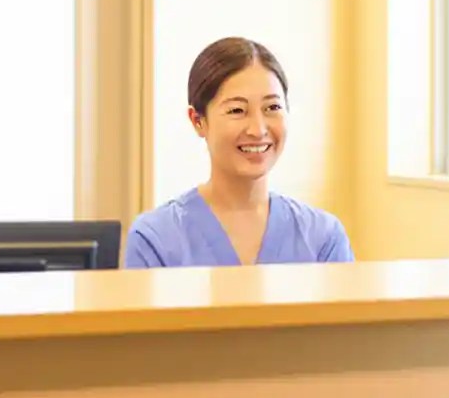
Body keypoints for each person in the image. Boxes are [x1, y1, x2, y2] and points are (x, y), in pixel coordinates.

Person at [124, 37, 354, 268]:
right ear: (198, 121)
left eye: (272, 107)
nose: (258, 129)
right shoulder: (155, 239)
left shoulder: (323, 239)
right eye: (237, 110)